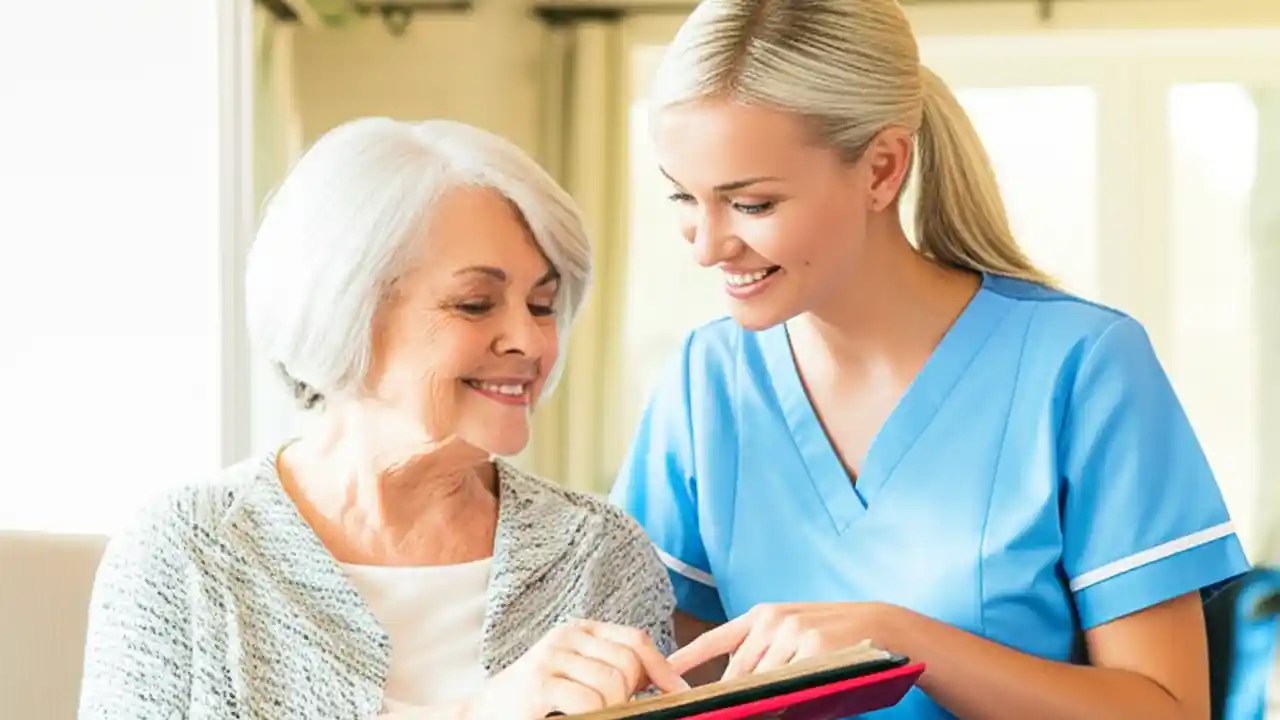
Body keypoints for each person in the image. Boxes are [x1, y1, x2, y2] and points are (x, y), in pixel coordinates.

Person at [610, 2, 1251, 719]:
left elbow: (1168, 709)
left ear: (882, 169)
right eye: (683, 196)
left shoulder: (1082, 367)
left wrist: (899, 641)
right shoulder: (707, 382)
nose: (705, 247)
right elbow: (671, 680)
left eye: (752, 203)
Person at [79, 118, 687, 720]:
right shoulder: (185, 550)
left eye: (542, 305)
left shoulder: (601, 557)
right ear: (346, 308)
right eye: (475, 304)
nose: (528, 340)